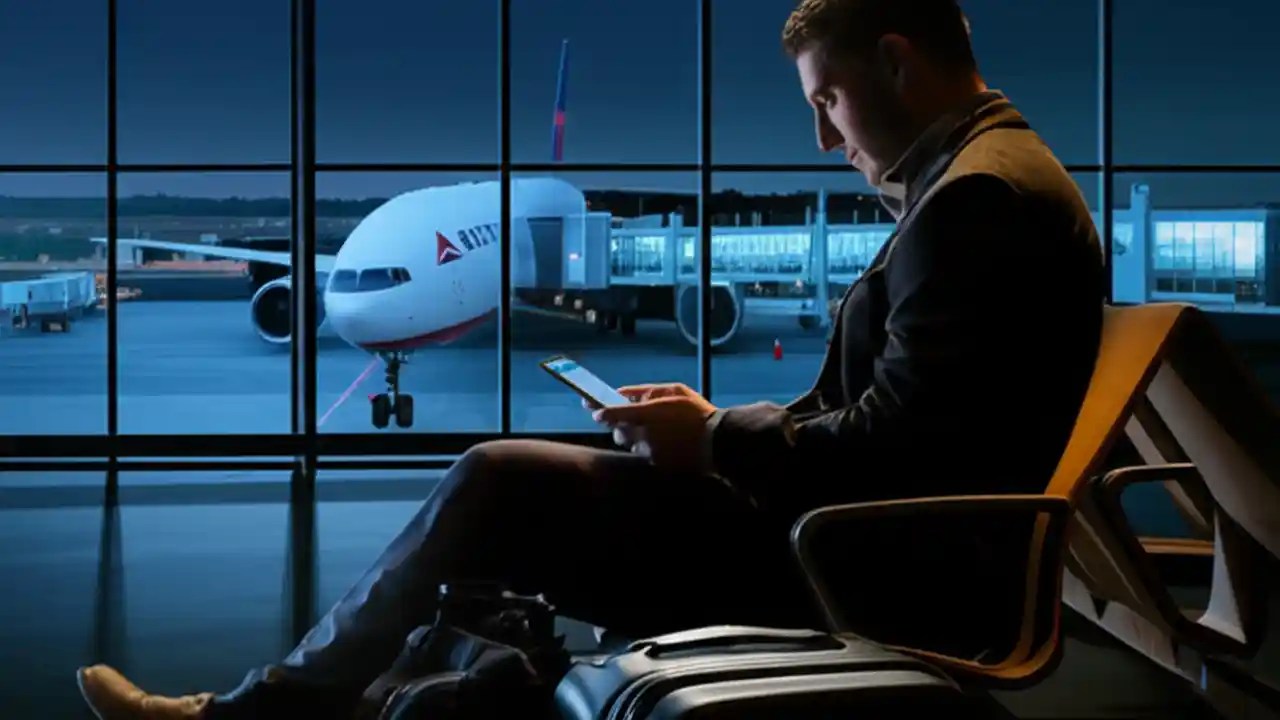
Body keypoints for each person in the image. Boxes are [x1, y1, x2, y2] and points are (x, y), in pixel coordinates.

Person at [76, 0, 1104, 717]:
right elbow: (905, 421)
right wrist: (714, 424)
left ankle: (264, 717)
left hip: (868, 566)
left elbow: (896, 451)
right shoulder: (990, 178)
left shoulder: (974, 200)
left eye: (824, 99)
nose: (821, 138)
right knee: (508, 495)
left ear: (894, 59)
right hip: (861, 534)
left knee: (498, 481)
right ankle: (352, 703)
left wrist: (711, 439)